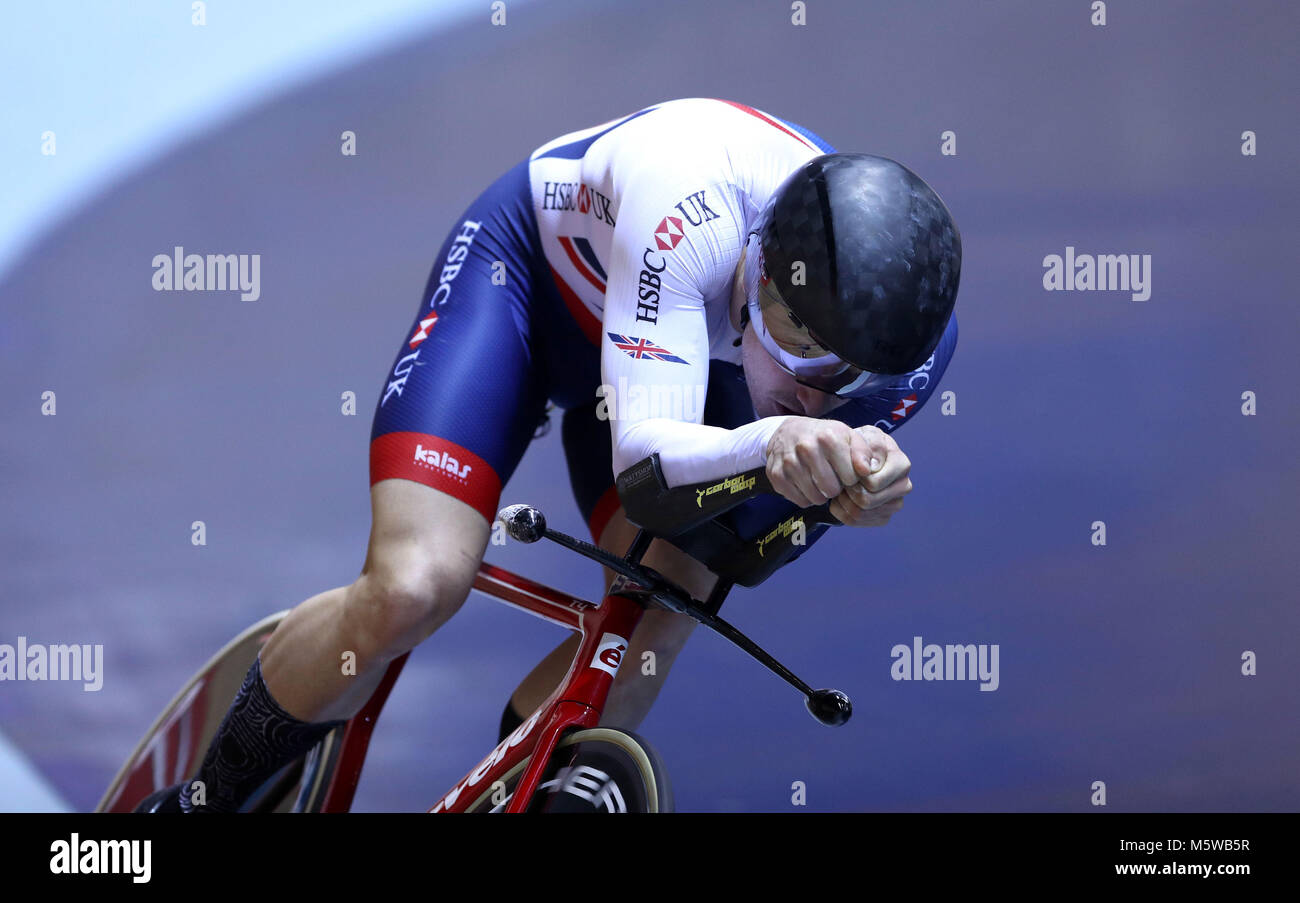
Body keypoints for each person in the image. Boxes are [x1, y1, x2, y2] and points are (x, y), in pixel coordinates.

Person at [137, 97, 960, 812]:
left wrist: (848, 493)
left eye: (846, 377)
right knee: (414, 584)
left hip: (690, 375)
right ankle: (195, 805)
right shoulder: (691, 203)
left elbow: (743, 546)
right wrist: (778, 444)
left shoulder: (912, 353)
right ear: (760, 267)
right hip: (531, 292)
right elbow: (648, 473)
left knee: (661, 612)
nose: (813, 390)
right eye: (797, 341)